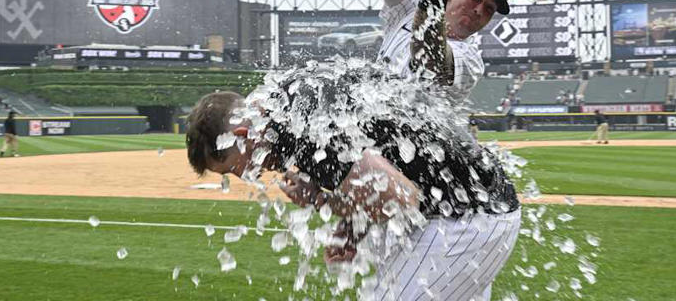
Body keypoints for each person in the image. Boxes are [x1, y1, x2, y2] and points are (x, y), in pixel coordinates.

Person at [186, 63, 521, 300]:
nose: (250, 176)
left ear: (243, 136)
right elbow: (379, 147)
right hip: (474, 203)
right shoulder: (288, 95)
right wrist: (353, 227)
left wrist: (320, 202)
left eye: (235, 168)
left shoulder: (296, 133)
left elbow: (402, 200)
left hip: (469, 218)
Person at [376, 0, 512, 103]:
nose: (479, 10)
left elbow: (427, 56)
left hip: (409, 127)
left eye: (489, 9)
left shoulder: (470, 61)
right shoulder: (409, 10)